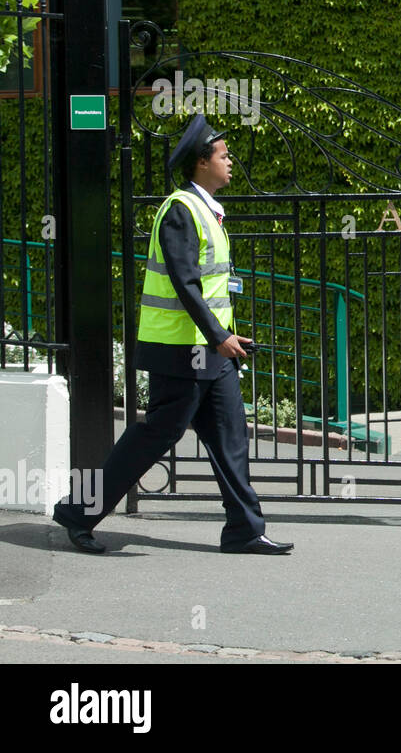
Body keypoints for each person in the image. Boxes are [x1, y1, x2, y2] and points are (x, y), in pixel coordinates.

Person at [53, 114, 293, 555]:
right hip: (182, 351)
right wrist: (220, 335)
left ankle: (244, 530)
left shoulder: (205, 210)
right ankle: (77, 512)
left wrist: (223, 340)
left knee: (230, 438)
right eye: (224, 156)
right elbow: (186, 284)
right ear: (202, 162)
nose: (230, 163)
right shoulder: (181, 211)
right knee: (155, 437)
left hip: (211, 353)